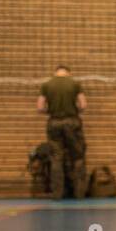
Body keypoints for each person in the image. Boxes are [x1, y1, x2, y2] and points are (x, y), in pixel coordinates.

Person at [36, 64, 87, 199]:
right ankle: (80, 193)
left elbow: (40, 107)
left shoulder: (46, 85)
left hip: (54, 123)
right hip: (72, 122)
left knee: (56, 159)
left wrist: (52, 111)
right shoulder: (75, 84)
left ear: (55, 72)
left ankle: (57, 194)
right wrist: (74, 111)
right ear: (68, 73)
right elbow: (83, 105)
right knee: (78, 157)